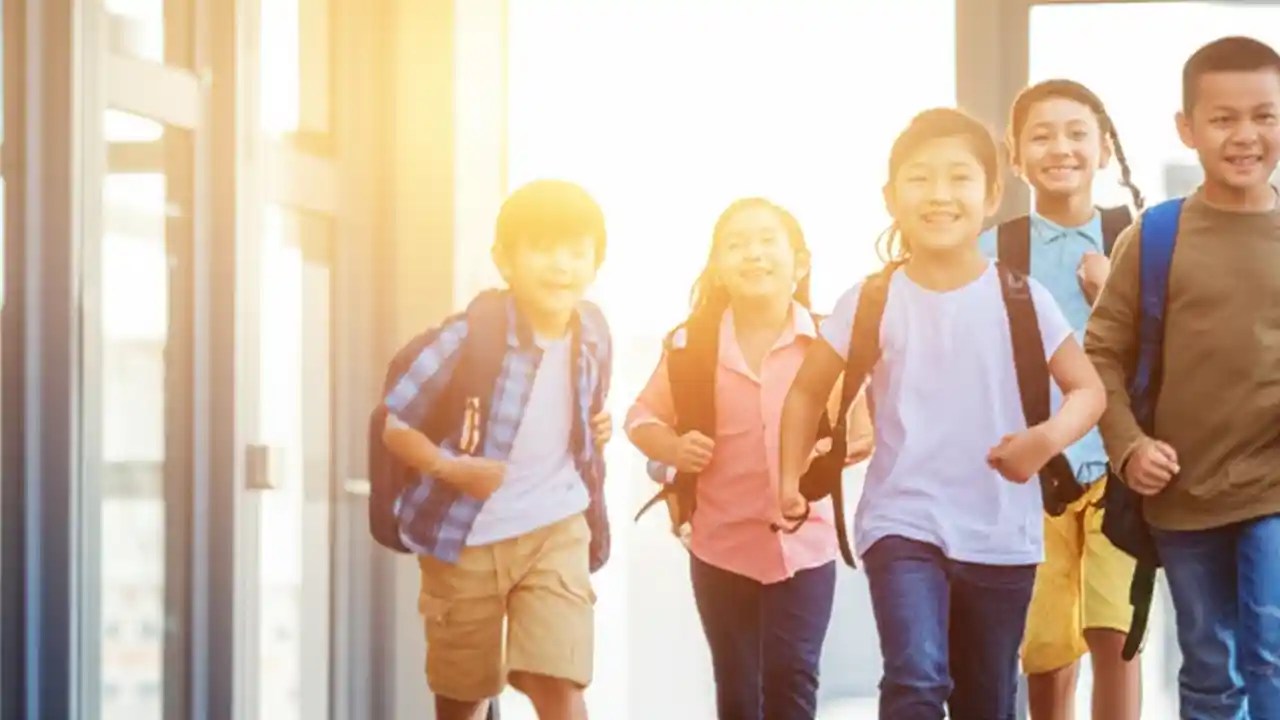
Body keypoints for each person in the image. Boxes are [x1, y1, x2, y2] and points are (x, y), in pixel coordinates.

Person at [777, 107, 1107, 720]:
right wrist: (787, 482)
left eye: (959, 178)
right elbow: (803, 393)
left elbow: (1088, 391)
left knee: (987, 702)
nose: (939, 195)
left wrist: (1045, 440)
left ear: (990, 197)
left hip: (1001, 534)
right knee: (917, 677)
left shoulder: (1021, 297)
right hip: (901, 521)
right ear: (890, 197)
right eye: (920, 179)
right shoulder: (870, 300)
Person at [1085, 35, 1280, 720]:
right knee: (1207, 663)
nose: (1246, 135)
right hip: (1181, 494)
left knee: (1271, 653)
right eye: (1224, 118)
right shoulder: (1156, 236)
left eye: (1265, 115)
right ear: (1187, 129)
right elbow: (1100, 355)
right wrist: (1129, 444)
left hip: (1274, 490)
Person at [381, 179, 614, 720]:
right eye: (543, 248)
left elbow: (581, 408)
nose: (561, 265)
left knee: (556, 680)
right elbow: (393, 424)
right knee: (463, 698)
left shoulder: (595, 332)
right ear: (504, 259)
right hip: (466, 534)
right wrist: (450, 468)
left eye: (577, 251)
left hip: (556, 524)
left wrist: (595, 426)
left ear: (595, 263)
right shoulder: (467, 339)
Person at [626, 197, 863, 720]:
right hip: (720, 546)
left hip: (805, 547)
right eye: (735, 245)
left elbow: (862, 431)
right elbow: (640, 418)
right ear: (717, 268)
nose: (752, 254)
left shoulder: (827, 343)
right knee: (736, 688)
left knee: (792, 679)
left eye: (766, 241)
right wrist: (672, 449)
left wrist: (825, 454)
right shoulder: (691, 348)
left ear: (799, 263)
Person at [978, 78, 1145, 720]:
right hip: (1033, 475)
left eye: (1078, 133)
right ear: (1016, 157)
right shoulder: (993, 252)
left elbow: (1177, 348)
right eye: (1041, 136)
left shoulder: (1140, 238)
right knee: (1045, 650)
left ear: (1104, 149)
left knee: (1116, 636)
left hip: (1123, 468)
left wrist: (1114, 293)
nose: (1061, 148)